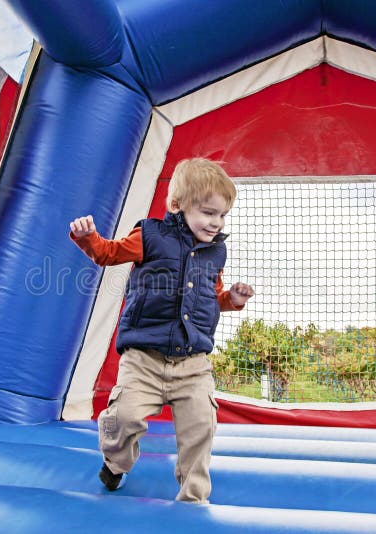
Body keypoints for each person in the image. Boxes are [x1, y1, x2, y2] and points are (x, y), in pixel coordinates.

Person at [69, 158, 254, 504]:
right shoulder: (150, 236)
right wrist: (87, 237)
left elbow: (212, 298)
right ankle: (117, 461)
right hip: (144, 359)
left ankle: (193, 499)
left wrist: (232, 299)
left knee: (202, 426)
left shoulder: (215, 253)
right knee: (122, 419)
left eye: (222, 215)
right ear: (177, 206)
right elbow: (108, 253)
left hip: (193, 363)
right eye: (208, 212)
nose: (216, 222)